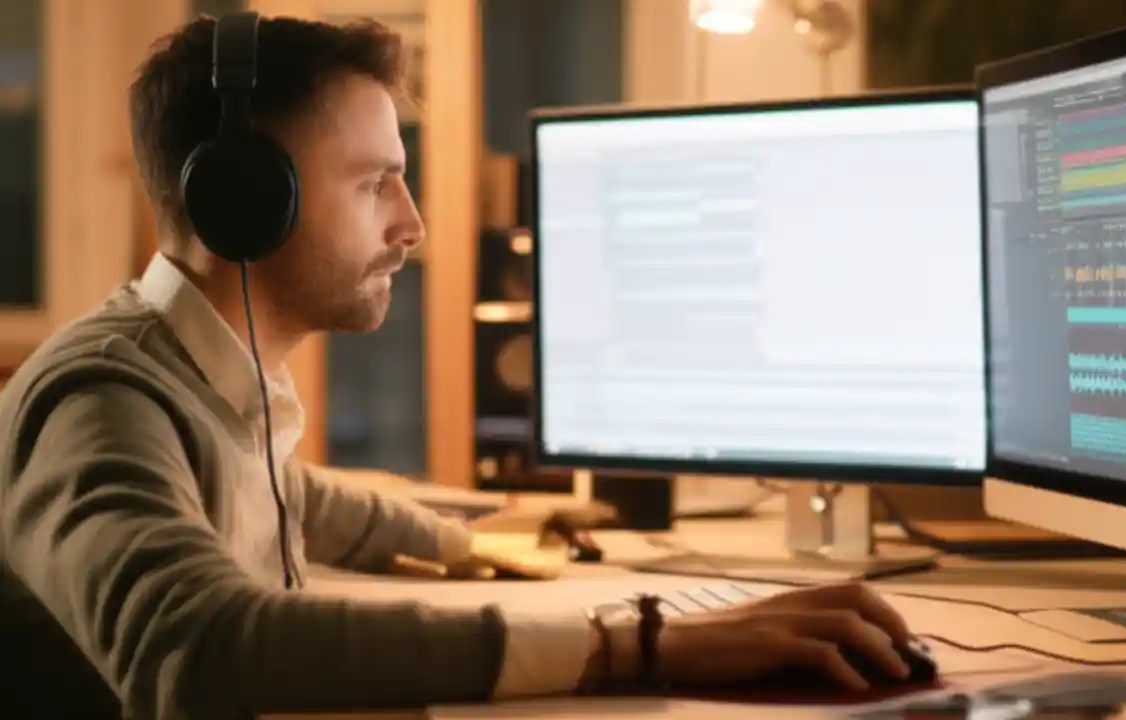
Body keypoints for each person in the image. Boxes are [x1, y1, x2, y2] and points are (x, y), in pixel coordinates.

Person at [0, 13, 918, 720]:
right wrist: (638, 641)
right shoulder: (102, 401)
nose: (413, 224)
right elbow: (195, 642)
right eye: (373, 184)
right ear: (243, 201)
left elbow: (301, 496)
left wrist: (470, 539)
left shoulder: (215, 376)